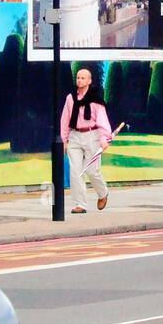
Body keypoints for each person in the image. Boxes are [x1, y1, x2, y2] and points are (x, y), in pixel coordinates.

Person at [59, 67, 111, 214]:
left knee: (92, 171)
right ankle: (81, 204)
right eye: (78, 77)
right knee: (75, 171)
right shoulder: (70, 98)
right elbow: (65, 120)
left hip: (92, 136)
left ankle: (103, 193)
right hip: (75, 136)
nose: (79, 80)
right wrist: (64, 140)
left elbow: (102, 120)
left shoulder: (96, 100)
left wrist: (104, 138)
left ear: (89, 80)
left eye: (83, 78)